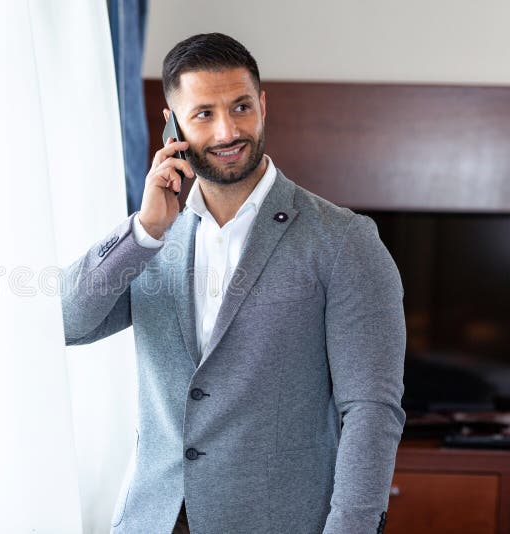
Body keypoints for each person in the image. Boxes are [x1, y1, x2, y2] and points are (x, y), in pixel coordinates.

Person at [61, 32, 405, 534]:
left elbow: (371, 410)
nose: (227, 130)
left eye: (241, 107)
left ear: (262, 105)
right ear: (172, 124)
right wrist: (144, 231)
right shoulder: (153, 236)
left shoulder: (344, 241)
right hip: (154, 520)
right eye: (204, 114)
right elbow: (67, 323)